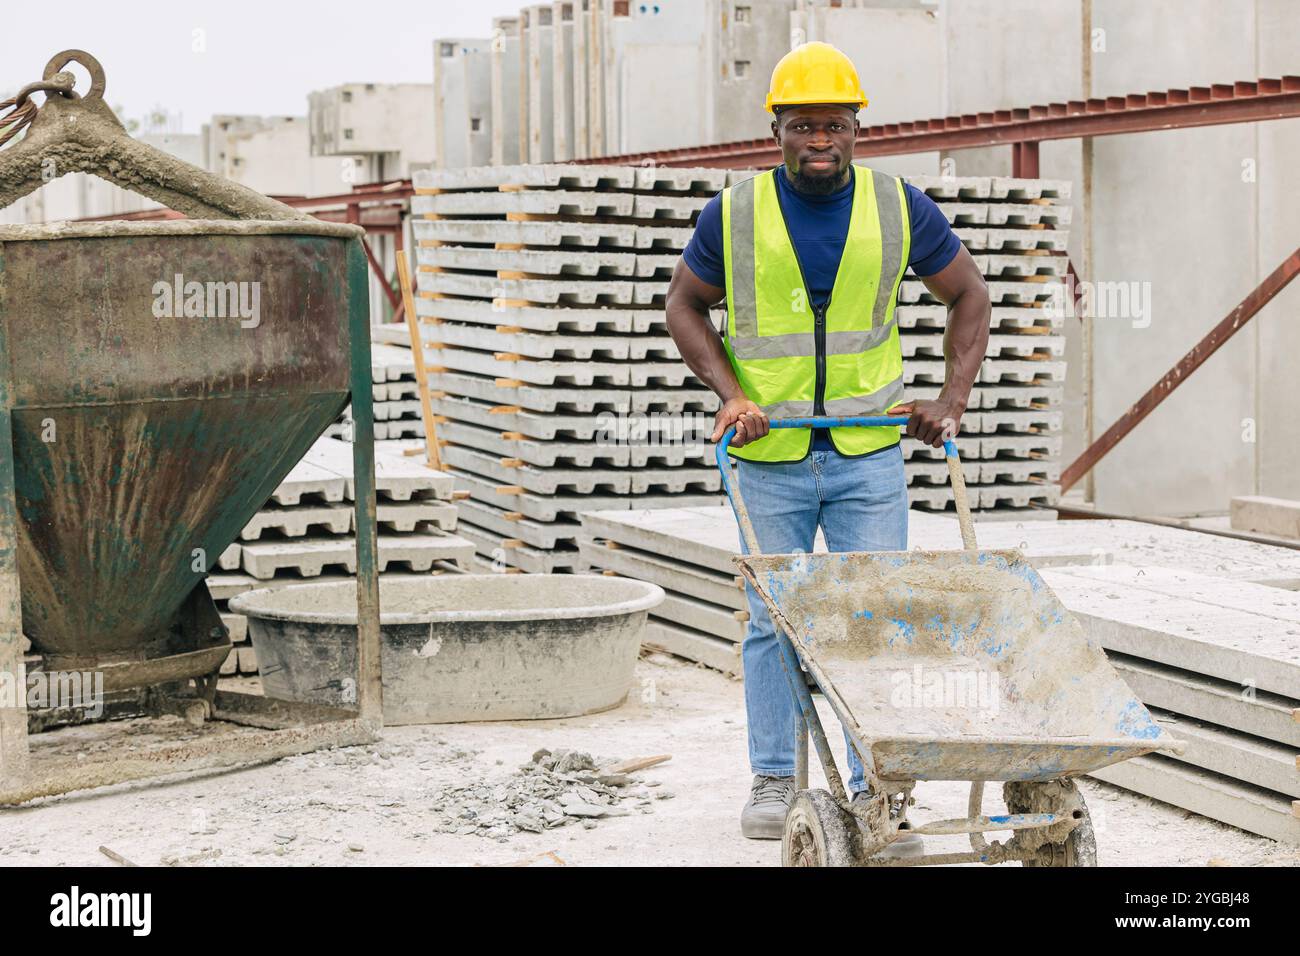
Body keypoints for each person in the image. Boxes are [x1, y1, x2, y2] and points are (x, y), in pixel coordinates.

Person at [664, 41, 991, 844]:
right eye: (803, 125)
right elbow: (684, 305)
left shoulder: (898, 205)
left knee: (873, 621)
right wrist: (733, 395)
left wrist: (951, 400)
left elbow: (969, 293)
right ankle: (776, 777)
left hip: (867, 455)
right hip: (766, 459)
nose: (820, 140)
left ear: (857, 127)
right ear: (775, 128)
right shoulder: (733, 213)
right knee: (773, 624)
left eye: (835, 124)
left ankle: (876, 787)